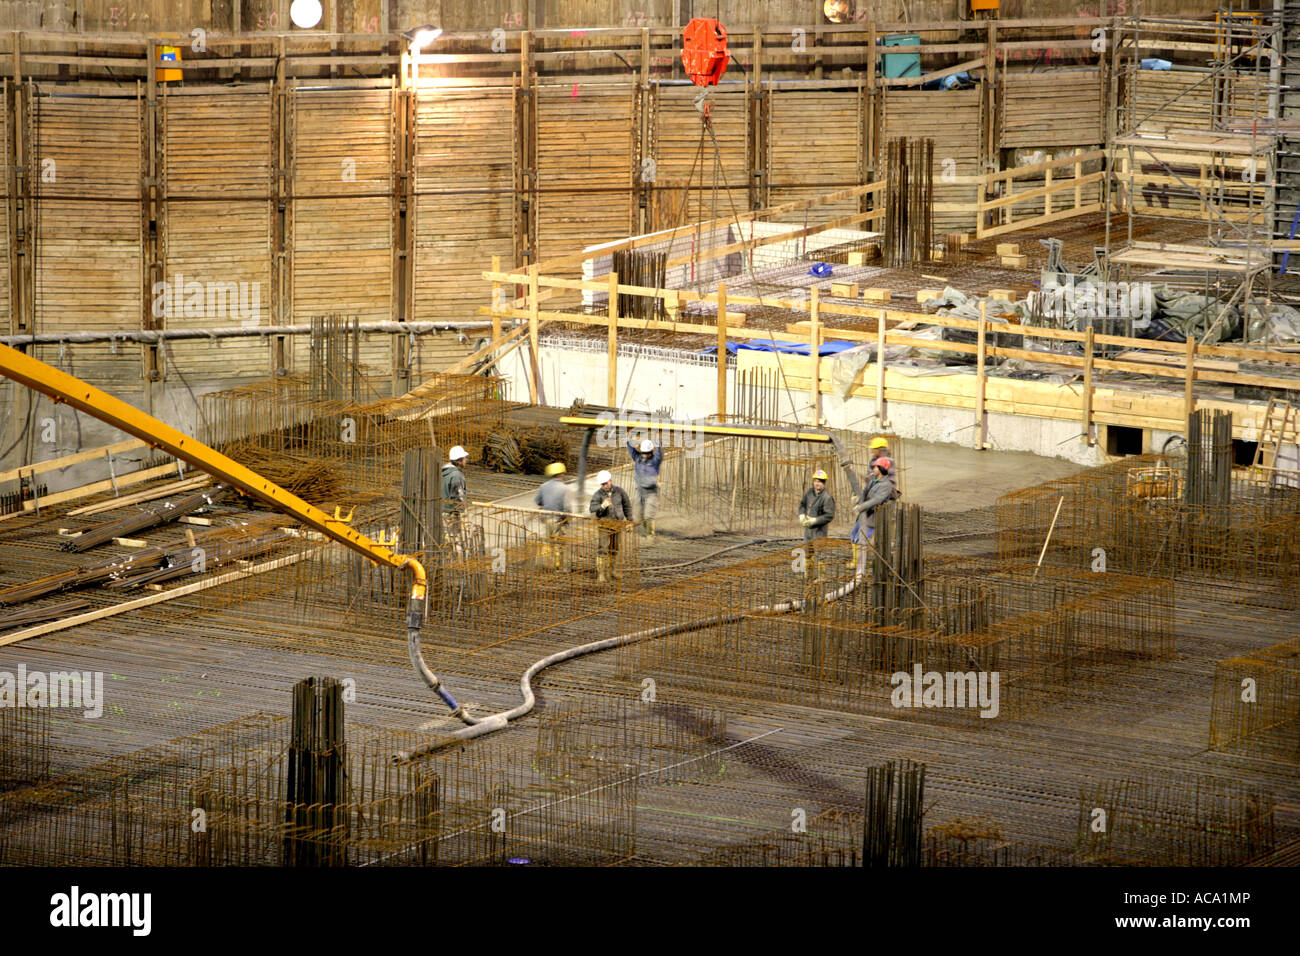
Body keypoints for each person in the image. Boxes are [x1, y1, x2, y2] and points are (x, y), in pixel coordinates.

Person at [852, 457, 899, 571]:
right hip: (865, 513)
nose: (873, 468)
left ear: (881, 469)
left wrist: (861, 507)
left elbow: (877, 500)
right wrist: (858, 500)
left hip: (873, 516)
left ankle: (861, 566)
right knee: (854, 535)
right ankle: (856, 562)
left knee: (862, 539)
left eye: (876, 467)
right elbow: (864, 492)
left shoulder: (886, 485)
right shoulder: (873, 480)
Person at [589, 469, 632, 585]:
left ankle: (612, 570)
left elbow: (627, 506)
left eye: (606, 483)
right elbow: (592, 509)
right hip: (604, 525)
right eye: (602, 484)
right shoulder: (598, 494)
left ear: (610, 481)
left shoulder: (619, 492)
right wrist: (602, 506)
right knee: (602, 548)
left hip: (617, 524)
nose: (605, 486)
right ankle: (601, 574)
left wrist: (629, 521)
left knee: (614, 548)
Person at [798, 468, 835, 579]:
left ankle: (821, 577)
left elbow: (829, 515)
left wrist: (815, 520)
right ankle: (808, 574)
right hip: (808, 529)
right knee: (808, 551)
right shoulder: (809, 493)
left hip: (819, 531)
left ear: (824, 483)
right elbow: (802, 505)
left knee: (820, 554)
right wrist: (802, 515)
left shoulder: (827, 498)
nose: (817, 484)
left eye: (819, 482)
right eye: (815, 481)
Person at [626, 435, 664, 539]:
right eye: (643, 453)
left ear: (651, 452)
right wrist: (628, 438)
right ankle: (643, 532)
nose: (645, 455)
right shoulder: (638, 458)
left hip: (651, 492)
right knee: (639, 513)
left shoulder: (655, 460)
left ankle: (650, 535)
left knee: (649, 515)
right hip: (640, 491)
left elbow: (660, 453)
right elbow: (631, 450)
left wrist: (657, 440)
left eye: (647, 453)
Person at [535, 462, 571, 569]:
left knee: (546, 541)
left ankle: (545, 564)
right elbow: (566, 508)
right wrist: (566, 521)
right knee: (558, 543)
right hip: (557, 520)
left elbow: (537, 501)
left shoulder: (543, 486)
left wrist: (546, 504)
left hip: (545, 519)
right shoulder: (564, 488)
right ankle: (557, 565)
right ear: (560, 474)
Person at [441, 445, 470, 538]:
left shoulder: (444, 472)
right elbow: (458, 495)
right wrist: (463, 510)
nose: (466, 460)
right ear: (459, 460)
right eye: (465, 458)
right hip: (451, 512)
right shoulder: (456, 475)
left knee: (444, 537)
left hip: (442, 510)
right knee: (452, 538)